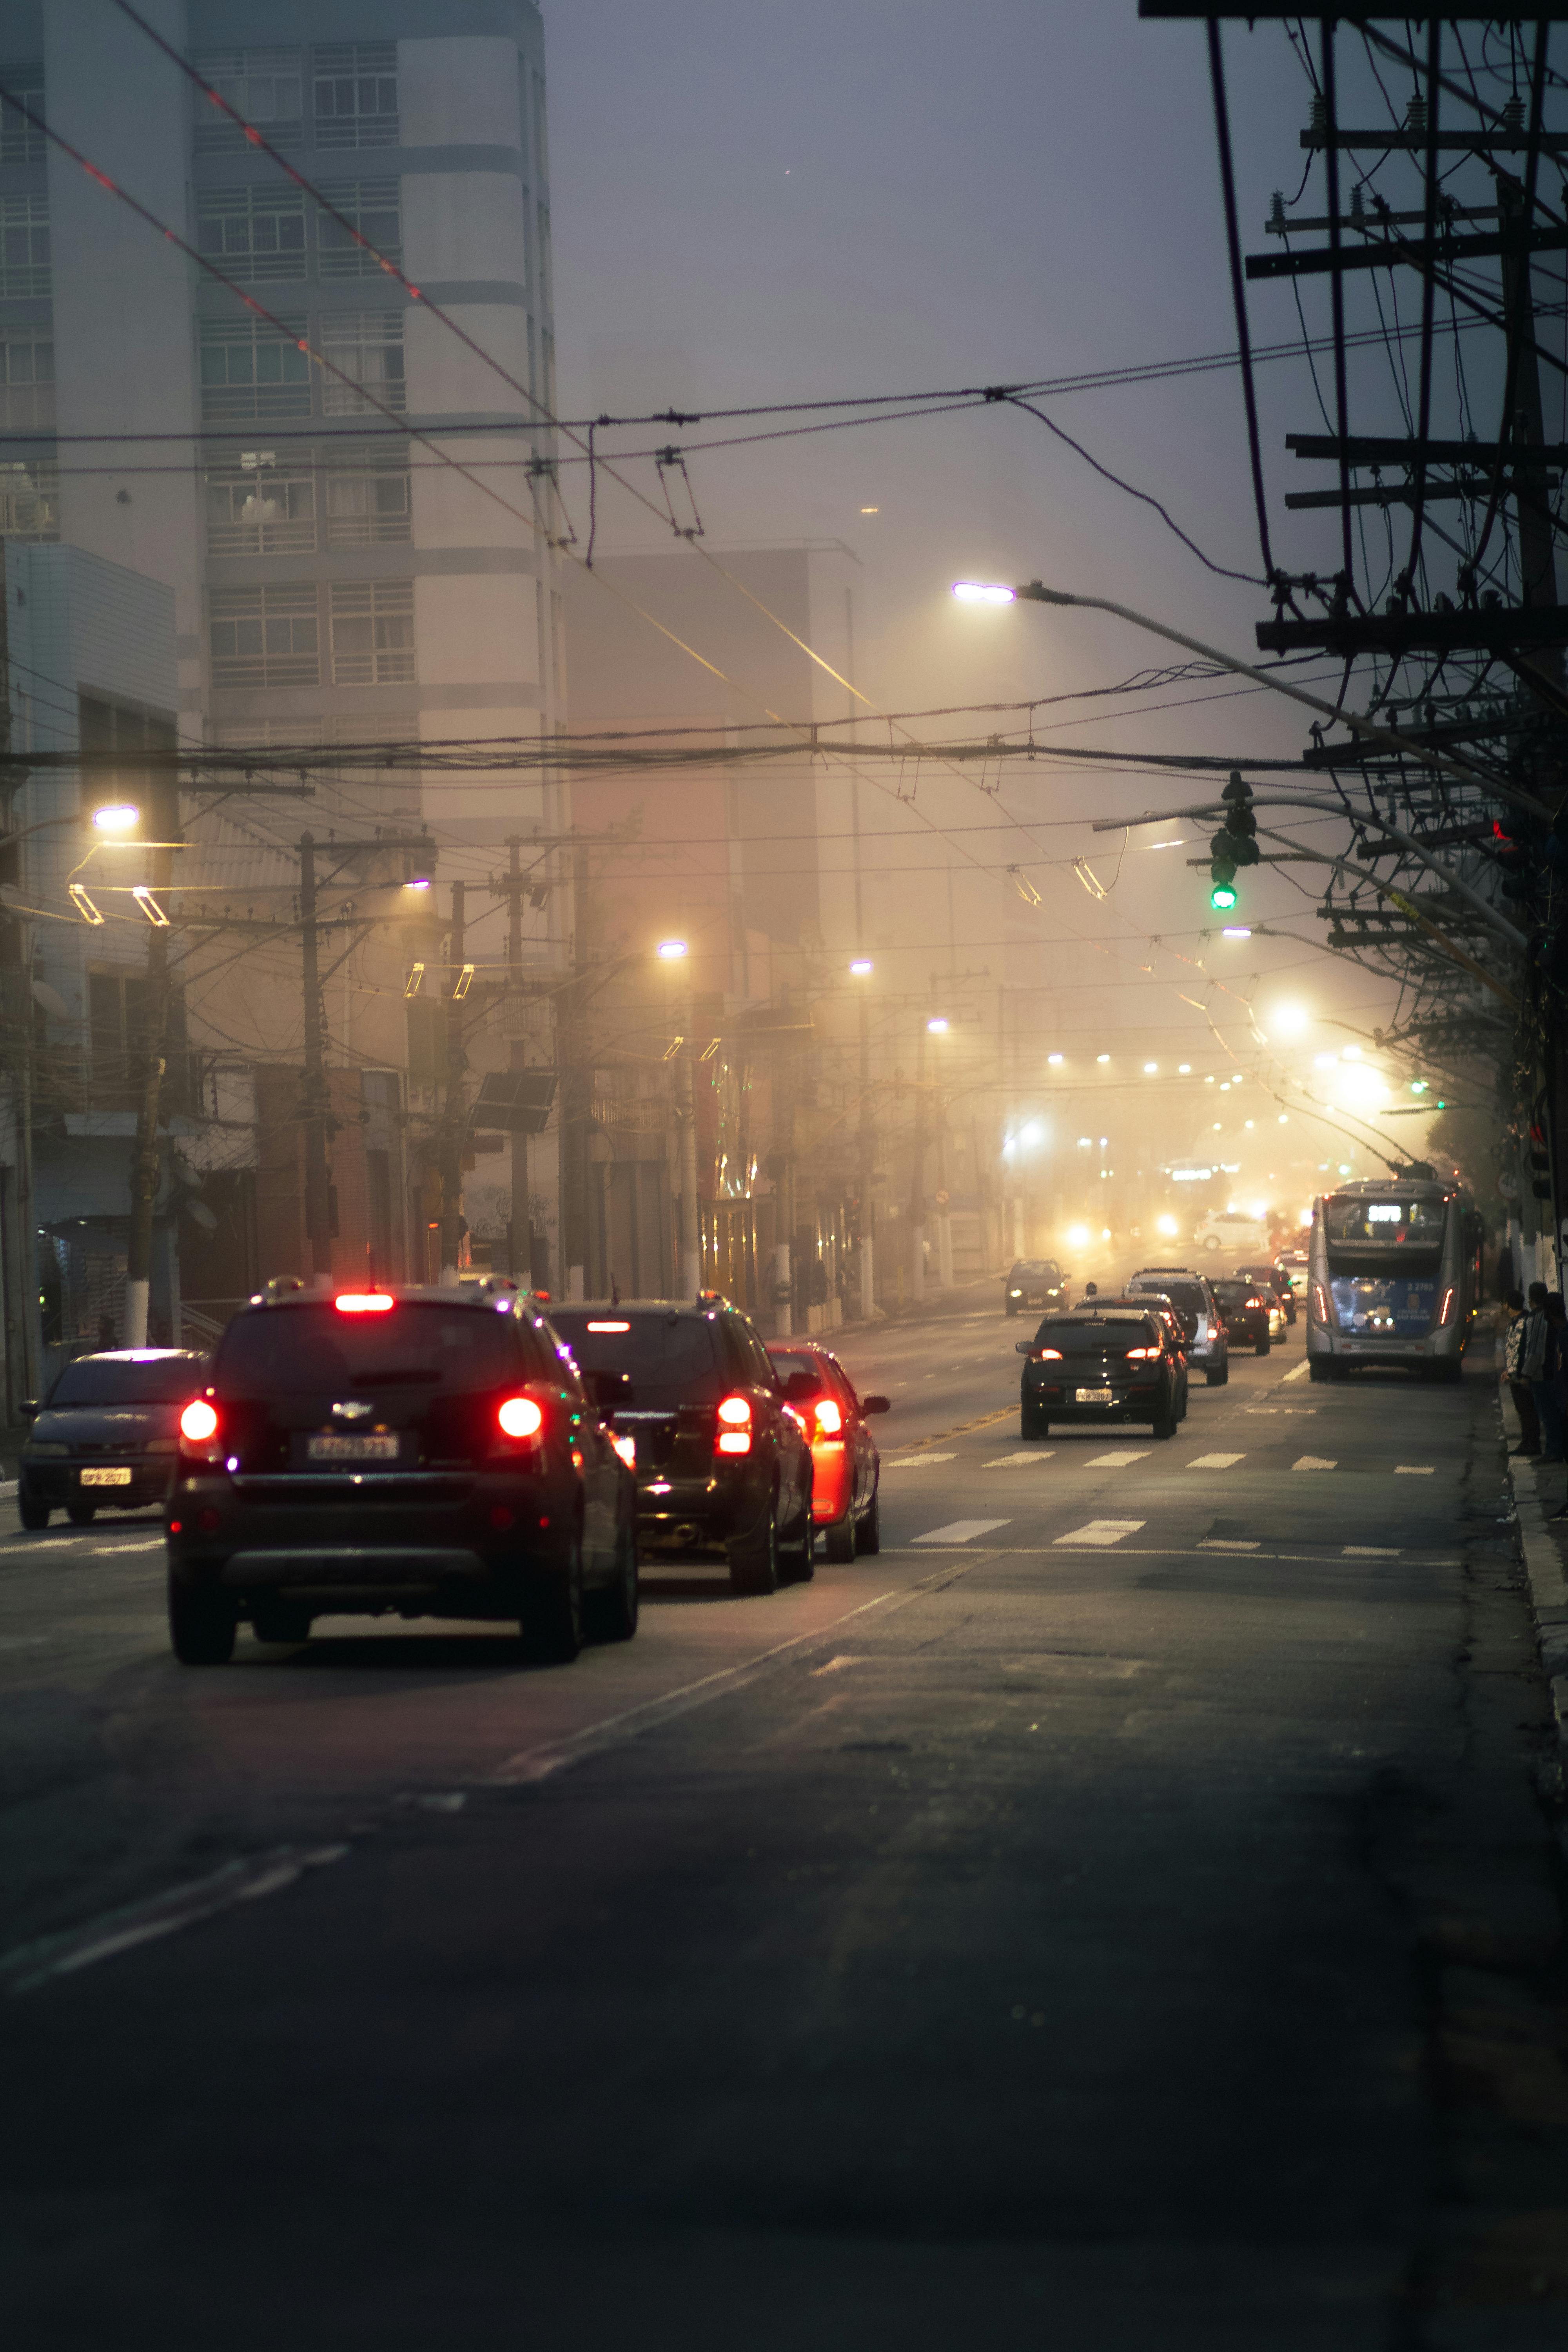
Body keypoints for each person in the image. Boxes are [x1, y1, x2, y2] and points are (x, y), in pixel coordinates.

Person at [1521, 1283, 1565, 1464]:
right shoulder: (1554, 1318)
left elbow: (1534, 1350)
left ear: (1531, 1298)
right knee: (1557, 1415)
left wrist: (1526, 1374)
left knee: (1548, 1416)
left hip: (1543, 1375)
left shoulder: (1537, 1318)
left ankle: (1553, 1451)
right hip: (1555, 1374)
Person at [1502, 1288, 1540, 1457]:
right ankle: (1527, 1443)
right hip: (1516, 1376)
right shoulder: (1517, 1322)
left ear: (1507, 1305)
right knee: (1524, 1412)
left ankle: (1531, 1445)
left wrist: (1513, 1373)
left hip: (1521, 1377)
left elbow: (1520, 1351)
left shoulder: (1522, 1323)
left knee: (1527, 1412)